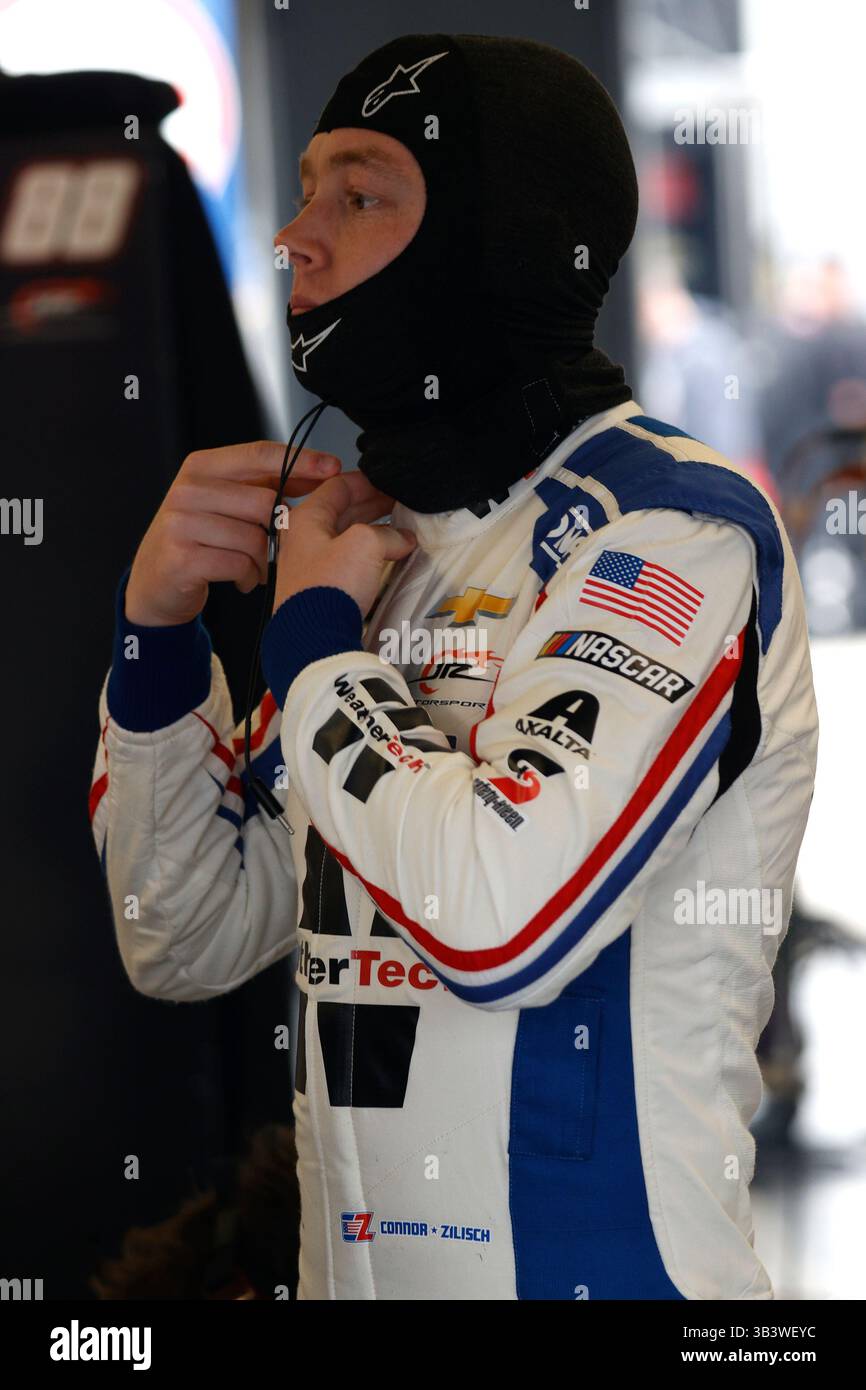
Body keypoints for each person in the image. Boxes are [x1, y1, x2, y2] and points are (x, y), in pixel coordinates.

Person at [89, 33, 818, 1300]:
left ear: (497, 238)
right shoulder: (380, 539)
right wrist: (158, 639)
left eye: (359, 195)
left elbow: (500, 924)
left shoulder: (668, 532)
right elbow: (185, 934)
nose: (295, 239)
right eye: (305, 189)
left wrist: (312, 646)